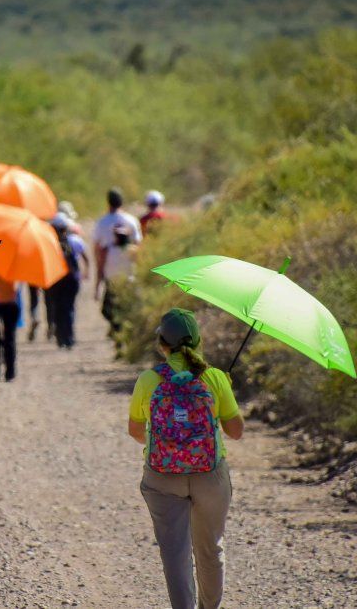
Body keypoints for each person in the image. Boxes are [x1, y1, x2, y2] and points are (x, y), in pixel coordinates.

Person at [127, 309, 244, 609]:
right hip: (210, 475)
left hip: (162, 476)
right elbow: (236, 431)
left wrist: (167, 443)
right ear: (198, 341)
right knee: (210, 550)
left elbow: (136, 431)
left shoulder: (148, 380)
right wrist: (224, 392)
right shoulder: (215, 378)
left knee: (175, 555)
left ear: (162, 344)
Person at [94, 187, 142, 320]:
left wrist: (98, 278)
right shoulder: (131, 221)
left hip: (111, 273)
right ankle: (121, 329)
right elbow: (139, 245)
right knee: (126, 304)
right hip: (129, 273)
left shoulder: (102, 222)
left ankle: (117, 329)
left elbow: (97, 248)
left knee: (110, 306)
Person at [48, 212, 89, 349]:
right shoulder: (75, 240)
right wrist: (85, 272)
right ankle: (69, 337)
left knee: (58, 308)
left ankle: (60, 338)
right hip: (72, 280)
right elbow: (85, 257)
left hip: (56, 279)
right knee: (69, 308)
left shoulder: (49, 242)